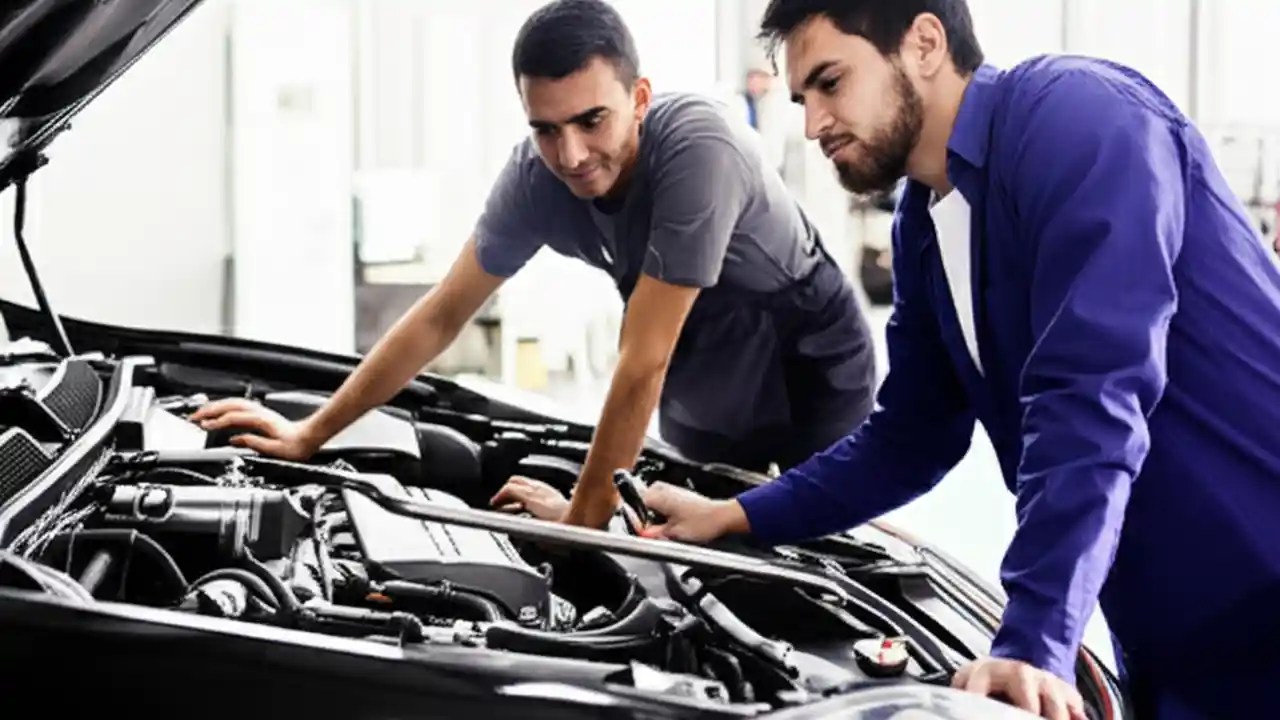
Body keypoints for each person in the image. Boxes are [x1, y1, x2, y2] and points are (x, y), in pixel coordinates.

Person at [634, 1, 1280, 719]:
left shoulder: (1079, 117)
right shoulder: (924, 219)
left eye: (830, 82)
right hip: (1163, 632)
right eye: (801, 99)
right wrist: (738, 515)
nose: (813, 123)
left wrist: (1035, 638)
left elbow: (1091, 395)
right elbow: (910, 437)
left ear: (925, 43)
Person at [190, 0, 878, 532]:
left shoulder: (699, 146)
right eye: (545, 128)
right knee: (705, 545)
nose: (571, 154)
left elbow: (642, 363)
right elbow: (441, 316)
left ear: (639, 99)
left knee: (829, 543)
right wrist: (312, 433)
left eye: (592, 120)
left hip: (803, 350)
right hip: (701, 364)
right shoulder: (534, 179)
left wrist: (578, 525)